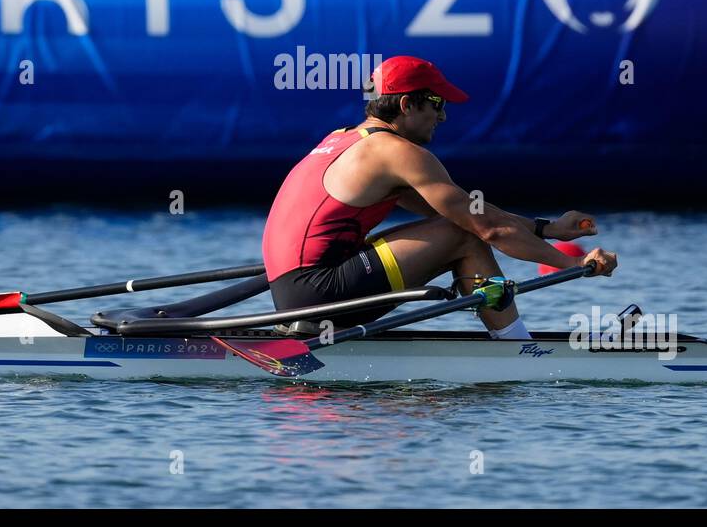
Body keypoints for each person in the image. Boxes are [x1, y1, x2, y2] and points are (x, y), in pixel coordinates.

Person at [260, 55, 618, 339]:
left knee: (459, 227)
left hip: (296, 293)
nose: (443, 115)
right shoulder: (397, 152)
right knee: (465, 236)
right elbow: (486, 229)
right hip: (317, 294)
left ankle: (511, 341)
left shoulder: (342, 138)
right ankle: (518, 350)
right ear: (406, 105)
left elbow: (472, 213)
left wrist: (546, 228)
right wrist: (575, 265)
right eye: (436, 102)